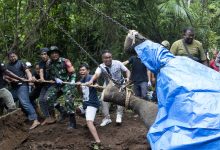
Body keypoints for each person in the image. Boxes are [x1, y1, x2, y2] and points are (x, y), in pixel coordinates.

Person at [124, 30, 220, 149]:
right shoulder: (173, 52)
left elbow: (203, 61)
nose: (190, 37)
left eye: (192, 36)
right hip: (186, 76)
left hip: (188, 76)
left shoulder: (171, 60)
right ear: (183, 35)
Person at [88, 50, 130, 126]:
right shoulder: (101, 66)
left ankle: (119, 115)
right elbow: (96, 74)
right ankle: (107, 118)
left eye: (109, 57)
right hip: (108, 85)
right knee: (103, 99)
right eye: (106, 58)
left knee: (120, 99)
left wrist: (128, 78)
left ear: (112, 57)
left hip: (120, 83)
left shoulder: (118, 63)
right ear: (102, 59)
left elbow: (127, 71)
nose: (108, 59)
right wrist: (91, 80)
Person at [6, 51, 40, 129]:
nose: (13, 58)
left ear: (16, 56)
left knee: (24, 102)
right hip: (13, 88)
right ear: (8, 58)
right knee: (6, 101)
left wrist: (30, 78)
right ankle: (14, 121)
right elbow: (6, 76)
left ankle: (35, 119)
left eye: (14, 56)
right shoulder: (7, 66)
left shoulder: (21, 63)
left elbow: (27, 71)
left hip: (22, 85)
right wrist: (11, 79)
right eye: (11, 57)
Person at [45, 46, 76, 129]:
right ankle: (62, 111)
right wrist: (55, 78)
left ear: (58, 53)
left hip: (67, 83)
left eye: (56, 53)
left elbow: (73, 73)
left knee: (68, 100)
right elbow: (49, 74)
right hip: (57, 84)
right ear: (50, 55)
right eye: (52, 53)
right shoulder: (48, 63)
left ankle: (72, 122)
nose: (54, 55)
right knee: (48, 98)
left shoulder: (65, 61)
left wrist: (72, 81)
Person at [76, 63, 102, 149]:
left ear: (88, 70)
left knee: (89, 122)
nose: (81, 71)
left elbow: (98, 87)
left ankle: (98, 141)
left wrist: (96, 85)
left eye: (83, 70)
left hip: (92, 103)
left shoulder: (91, 77)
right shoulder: (81, 80)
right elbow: (80, 94)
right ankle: (92, 122)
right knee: (78, 110)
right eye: (80, 70)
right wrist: (78, 86)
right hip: (85, 104)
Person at [37, 47, 56, 125]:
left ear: (48, 54)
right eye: (42, 54)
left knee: (47, 98)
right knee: (41, 100)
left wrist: (54, 79)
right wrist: (41, 78)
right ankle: (47, 117)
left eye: (45, 54)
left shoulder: (53, 61)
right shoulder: (41, 63)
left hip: (53, 84)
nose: (43, 56)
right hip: (45, 84)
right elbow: (41, 71)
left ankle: (53, 116)